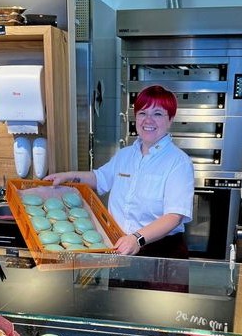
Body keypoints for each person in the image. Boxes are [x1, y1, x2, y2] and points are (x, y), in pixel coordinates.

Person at [47, 84, 194, 259]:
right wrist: (68, 176)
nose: (148, 120)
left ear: (170, 119)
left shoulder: (178, 162)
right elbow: (99, 178)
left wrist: (137, 239)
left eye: (157, 114)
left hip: (161, 252)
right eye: (142, 113)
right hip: (121, 244)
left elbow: (174, 216)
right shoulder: (125, 155)